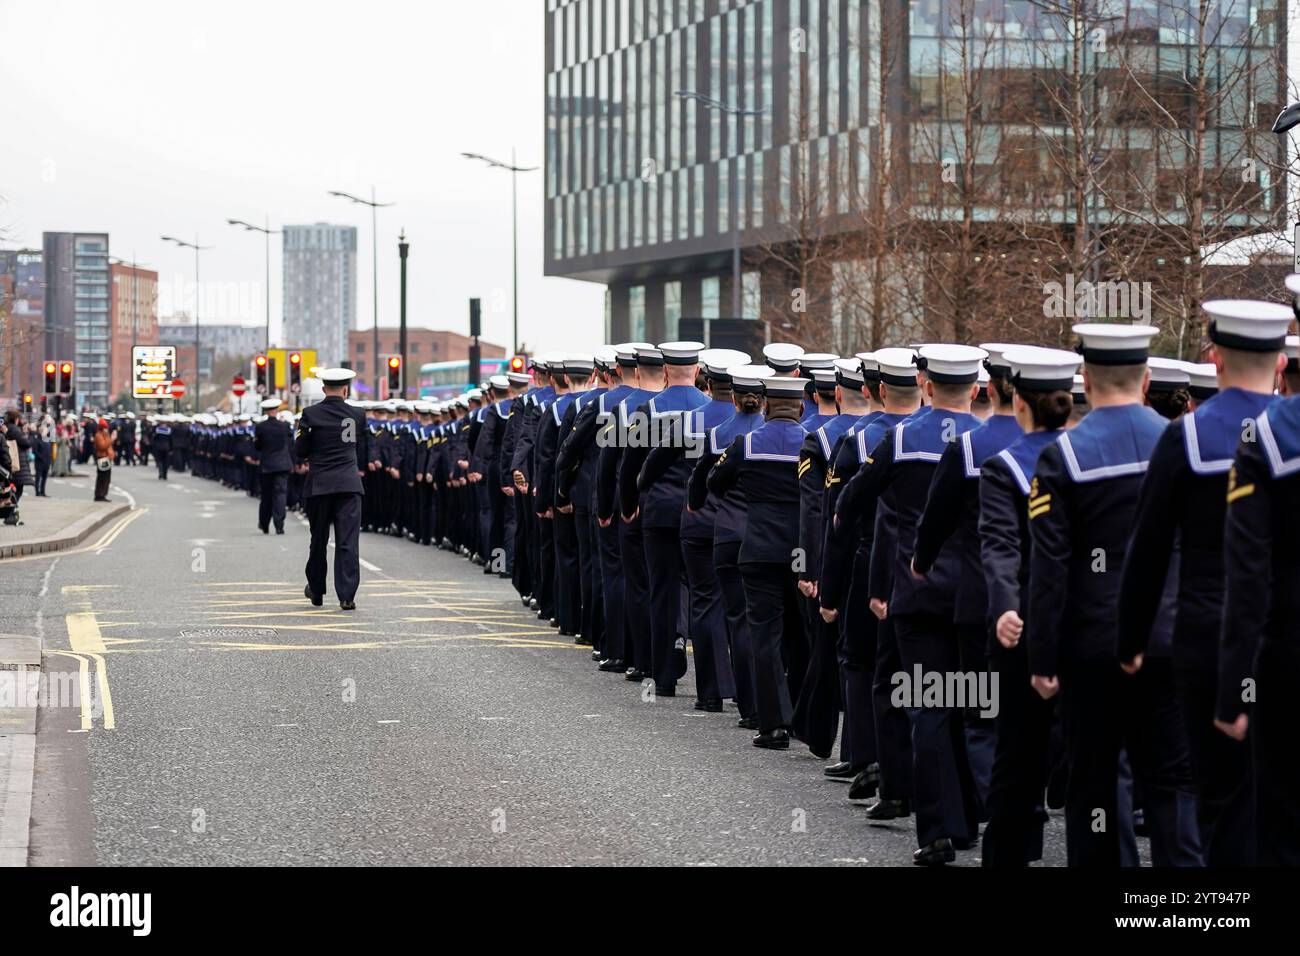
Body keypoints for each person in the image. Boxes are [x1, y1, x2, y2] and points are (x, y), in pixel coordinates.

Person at [1119, 297, 1291, 867]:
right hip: (1278, 640)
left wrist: (1132, 641)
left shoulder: (1186, 438)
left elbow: (1146, 550)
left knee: (1220, 803)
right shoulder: (1284, 433)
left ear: (1214, 359)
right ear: (1283, 363)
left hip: (1203, 637)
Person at [975, 345, 1080, 865]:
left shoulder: (1005, 466)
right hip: (1084, 622)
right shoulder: (1087, 455)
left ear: (1018, 402)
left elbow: (999, 546)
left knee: (1016, 756)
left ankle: (1010, 856)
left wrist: (1005, 607)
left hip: (1024, 624)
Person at [707, 371, 809, 750]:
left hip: (758, 549)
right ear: (800, 406)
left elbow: (715, 484)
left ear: (766, 406)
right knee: (802, 637)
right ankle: (802, 717)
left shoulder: (745, 444)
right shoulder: (815, 444)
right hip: (802, 553)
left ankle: (774, 725)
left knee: (765, 635)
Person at [294, 368, 368, 611]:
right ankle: (347, 596)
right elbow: (364, 449)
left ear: (324, 389)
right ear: (346, 390)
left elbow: (300, 450)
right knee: (348, 541)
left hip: (320, 485)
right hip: (348, 484)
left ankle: (316, 589)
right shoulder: (357, 414)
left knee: (319, 540)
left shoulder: (310, 414)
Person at [255, 397, 293, 534]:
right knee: (280, 495)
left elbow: (258, 446)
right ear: (277, 410)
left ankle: (264, 523)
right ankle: (279, 525)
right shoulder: (285, 426)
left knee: (266, 495)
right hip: (282, 465)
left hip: (267, 466)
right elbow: (290, 445)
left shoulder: (260, 427)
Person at [4, 411, 34, 503]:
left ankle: (11, 510)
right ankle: (11, 512)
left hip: (10, 461)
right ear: (16, 419)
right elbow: (26, 443)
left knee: (12, 488)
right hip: (16, 462)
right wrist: (31, 434)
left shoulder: (8, 428)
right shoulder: (14, 430)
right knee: (17, 489)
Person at [91, 416, 115, 501]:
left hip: (106, 458)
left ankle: (103, 494)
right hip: (102, 458)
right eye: (105, 428)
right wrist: (111, 439)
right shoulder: (99, 435)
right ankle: (100, 495)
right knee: (103, 477)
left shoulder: (105, 435)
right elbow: (103, 446)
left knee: (106, 477)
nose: (107, 429)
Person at [33, 415, 53, 497]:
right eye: (44, 430)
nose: (46, 432)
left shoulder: (47, 440)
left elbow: (50, 451)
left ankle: (43, 491)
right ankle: (37, 492)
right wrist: (41, 458)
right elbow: (35, 451)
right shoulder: (37, 440)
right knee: (38, 477)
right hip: (40, 462)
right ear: (41, 431)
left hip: (47, 462)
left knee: (44, 478)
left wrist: (50, 460)